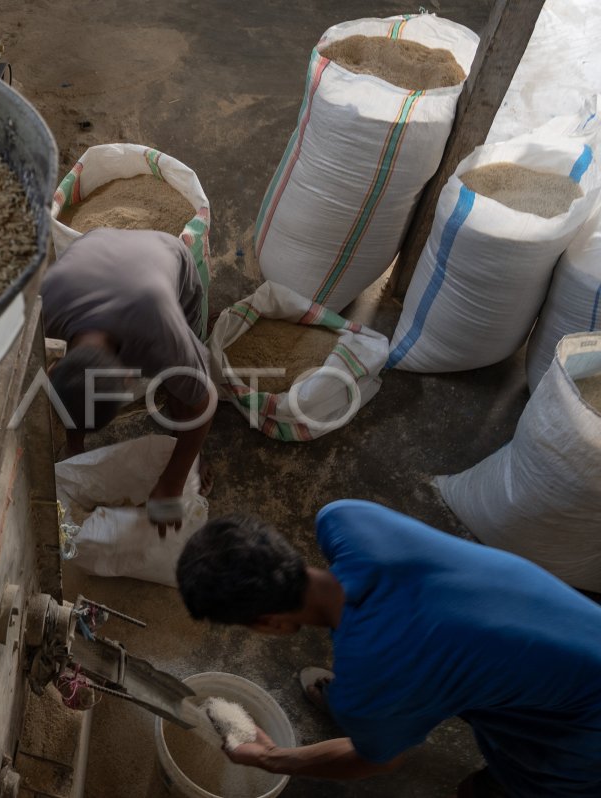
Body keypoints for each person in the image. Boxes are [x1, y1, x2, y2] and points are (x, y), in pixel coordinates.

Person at [175, 499, 601, 797]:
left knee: (495, 785)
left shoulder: (381, 669)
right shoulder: (344, 519)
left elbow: (377, 762)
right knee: (417, 680)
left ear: (268, 622)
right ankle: (377, 710)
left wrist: (272, 759)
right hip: (576, 636)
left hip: (582, 733)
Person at [41, 228, 215, 536]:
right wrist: (74, 447)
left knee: (183, 390)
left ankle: (191, 453)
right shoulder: (46, 310)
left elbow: (205, 402)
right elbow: (69, 389)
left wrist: (173, 482)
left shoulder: (159, 331)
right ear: (54, 366)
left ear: (128, 377)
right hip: (95, 248)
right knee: (77, 394)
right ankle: (75, 447)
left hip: (166, 256)